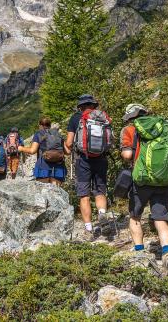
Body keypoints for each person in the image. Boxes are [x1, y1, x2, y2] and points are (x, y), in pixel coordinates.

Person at [120, 103, 168, 275]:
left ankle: (139, 252)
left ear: (130, 117)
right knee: (161, 217)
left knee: (135, 215)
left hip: (142, 179)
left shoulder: (130, 130)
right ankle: (167, 252)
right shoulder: (163, 124)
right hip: (163, 179)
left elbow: (128, 155)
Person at [65, 94, 110, 241]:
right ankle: (102, 214)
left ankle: (89, 230)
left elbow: (70, 143)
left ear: (80, 106)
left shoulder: (75, 118)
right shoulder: (102, 116)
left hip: (83, 160)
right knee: (100, 190)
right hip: (101, 158)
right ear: (93, 105)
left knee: (84, 195)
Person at [20, 116, 66, 185]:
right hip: (58, 168)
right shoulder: (58, 134)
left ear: (40, 125)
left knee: (43, 193)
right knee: (56, 193)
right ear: (50, 125)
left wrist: (21, 148)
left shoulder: (38, 134)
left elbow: (33, 150)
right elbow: (67, 152)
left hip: (43, 167)